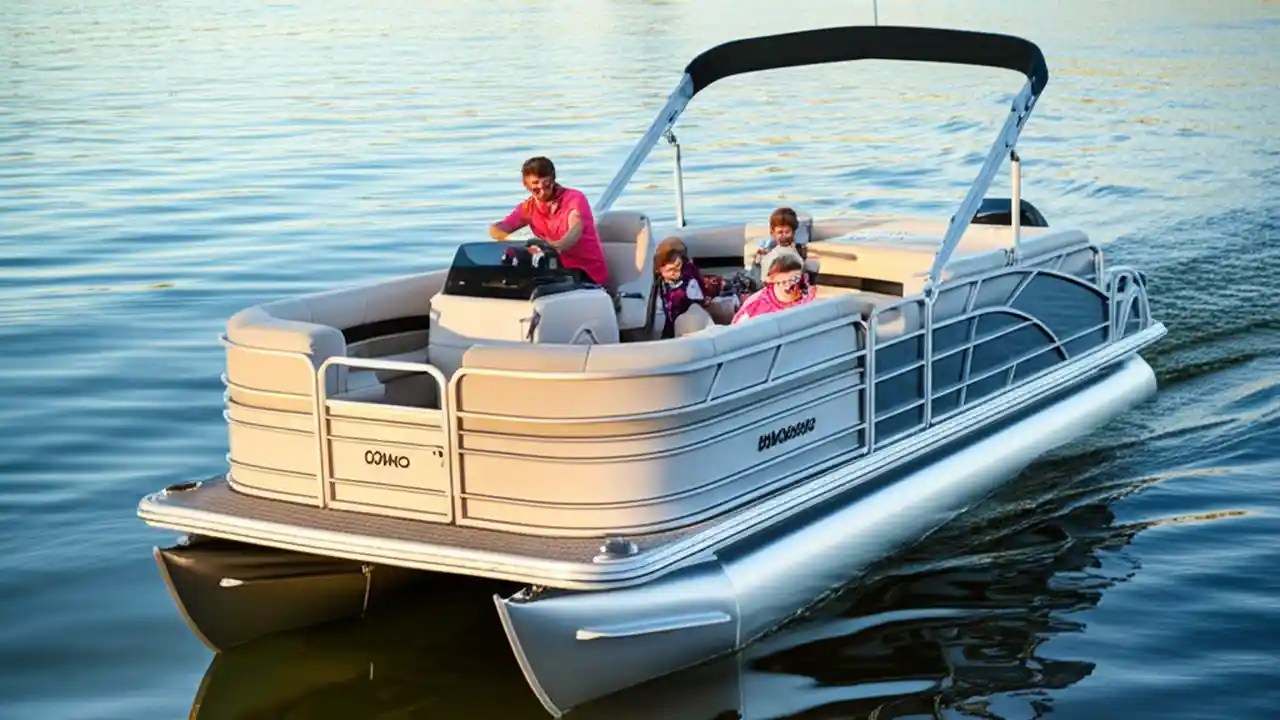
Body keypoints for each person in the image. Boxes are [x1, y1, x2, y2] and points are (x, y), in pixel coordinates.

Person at [489, 156, 610, 286]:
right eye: (535, 186)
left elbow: (576, 229)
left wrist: (554, 247)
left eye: (546, 184)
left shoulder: (574, 198)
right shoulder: (528, 208)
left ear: (553, 179)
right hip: (553, 269)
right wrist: (497, 232)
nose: (542, 191)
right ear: (526, 185)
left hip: (586, 273)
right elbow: (501, 229)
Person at [732, 249, 817, 324]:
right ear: (772, 280)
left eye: (796, 279)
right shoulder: (754, 307)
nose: (791, 285)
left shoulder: (812, 295)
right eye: (784, 282)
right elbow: (736, 336)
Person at [748, 207, 808, 274]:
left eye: (787, 232)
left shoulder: (799, 248)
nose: (784, 235)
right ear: (773, 233)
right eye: (780, 232)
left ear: (793, 232)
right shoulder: (767, 248)